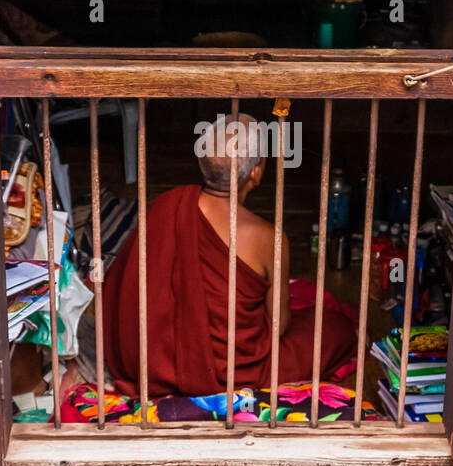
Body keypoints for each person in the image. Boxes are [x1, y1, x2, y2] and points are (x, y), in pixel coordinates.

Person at [103, 113, 357, 397]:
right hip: (239, 370)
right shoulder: (269, 238)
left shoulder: (167, 207)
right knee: (336, 328)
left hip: (158, 363)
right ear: (256, 172)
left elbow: (124, 285)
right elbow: (279, 326)